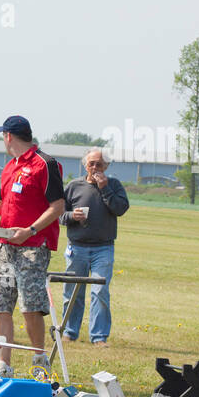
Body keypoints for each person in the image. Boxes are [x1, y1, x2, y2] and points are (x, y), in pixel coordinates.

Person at [0, 115, 65, 379]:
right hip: (5, 247)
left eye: (3, 136)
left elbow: (58, 206)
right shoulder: (10, 166)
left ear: (8, 136)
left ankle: (39, 358)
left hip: (32, 247)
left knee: (30, 306)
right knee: (1, 305)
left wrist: (30, 230)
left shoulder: (46, 164)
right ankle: (2, 364)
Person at [59, 147, 129, 346]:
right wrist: (72, 216)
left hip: (103, 248)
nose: (95, 167)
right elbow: (59, 215)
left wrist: (105, 188)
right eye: (91, 163)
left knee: (100, 291)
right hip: (76, 247)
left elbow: (121, 209)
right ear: (84, 165)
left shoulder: (113, 185)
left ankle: (99, 337)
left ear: (106, 166)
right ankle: (69, 332)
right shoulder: (73, 186)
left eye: (99, 164)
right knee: (72, 292)